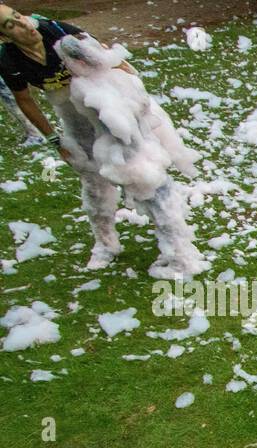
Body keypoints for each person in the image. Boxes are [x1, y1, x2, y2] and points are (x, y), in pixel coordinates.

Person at [0, 8, 205, 277]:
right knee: (93, 182)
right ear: (3, 36)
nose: (22, 24)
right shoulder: (9, 58)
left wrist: (134, 111)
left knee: (146, 177)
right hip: (75, 118)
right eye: (10, 25)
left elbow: (112, 62)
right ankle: (106, 244)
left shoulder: (57, 32)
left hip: (111, 111)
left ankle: (179, 252)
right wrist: (53, 138)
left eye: (17, 15)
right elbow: (25, 100)